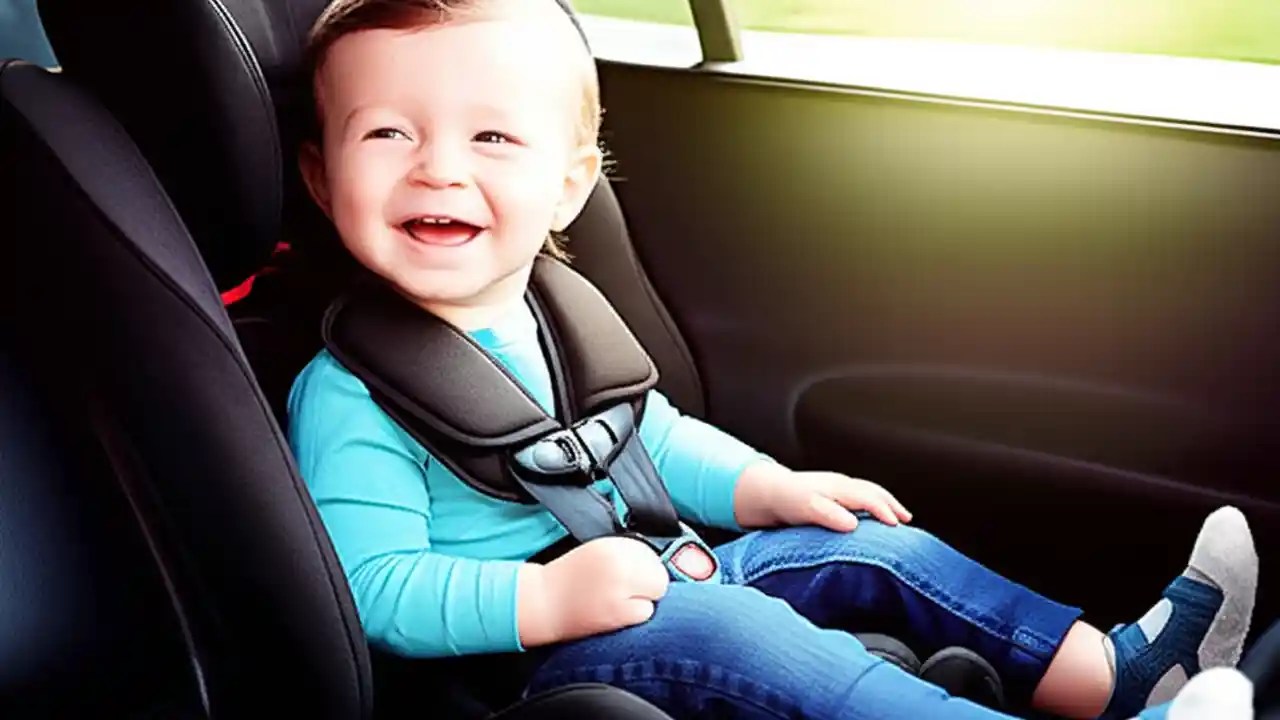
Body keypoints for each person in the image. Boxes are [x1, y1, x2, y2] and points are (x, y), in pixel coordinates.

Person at [286, 1, 1259, 718]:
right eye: (387, 134)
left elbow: (645, 440)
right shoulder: (351, 393)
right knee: (741, 636)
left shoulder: (552, 312)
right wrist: (542, 597)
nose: (438, 166)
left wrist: (768, 488)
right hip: (525, 663)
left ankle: (1113, 676)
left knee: (870, 549)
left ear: (569, 182)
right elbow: (373, 591)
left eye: (491, 135)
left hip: (653, 578)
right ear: (323, 180)